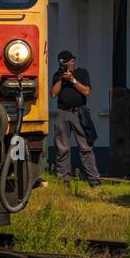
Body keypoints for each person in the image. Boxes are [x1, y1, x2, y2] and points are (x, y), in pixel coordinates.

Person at [50, 50, 101, 185]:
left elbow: (86, 91)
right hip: (62, 113)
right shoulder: (57, 75)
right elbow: (53, 94)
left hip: (79, 113)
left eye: (68, 63)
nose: (67, 66)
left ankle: (93, 179)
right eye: (63, 65)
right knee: (62, 148)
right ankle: (63, 179)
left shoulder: (82, 73)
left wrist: (72, 80)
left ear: (72, 61)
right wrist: (61, 78)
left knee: (85, 147)